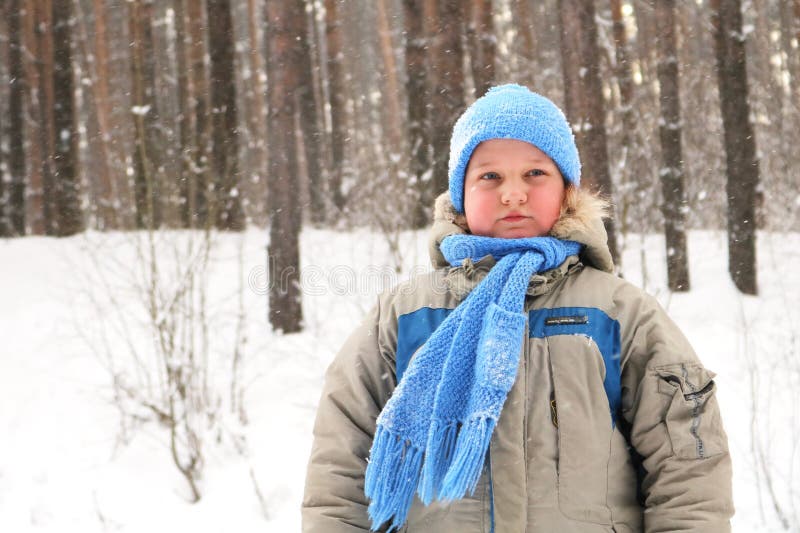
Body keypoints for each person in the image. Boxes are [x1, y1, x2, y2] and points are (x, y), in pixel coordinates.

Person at [302, 83, 733, 532]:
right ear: (460, 195)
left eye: (535, 174)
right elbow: (340, 461)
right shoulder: (405, 315)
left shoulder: (619, 313)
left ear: (567, 189)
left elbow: (689, 468)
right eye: (490, 177)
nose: (513, 194)